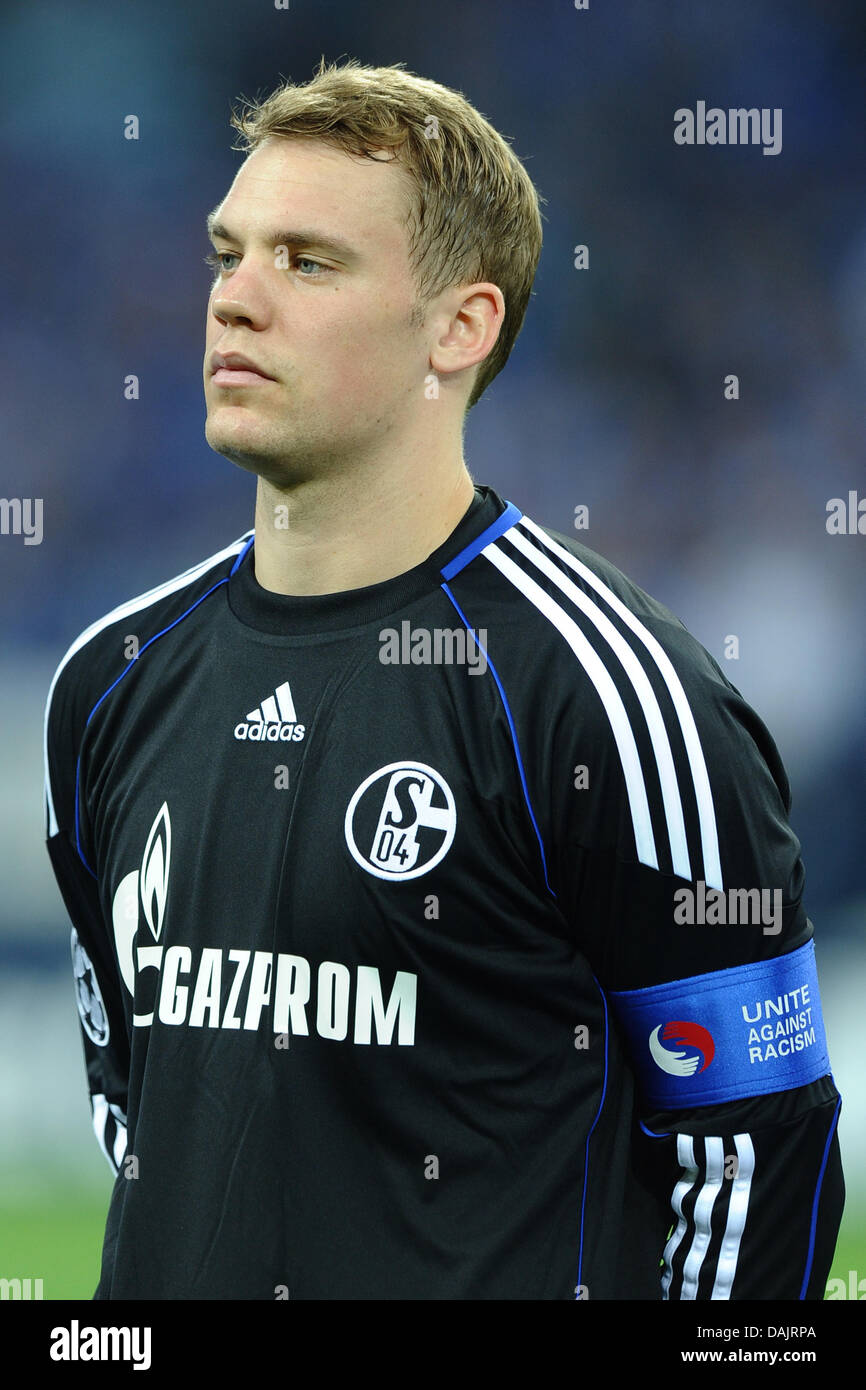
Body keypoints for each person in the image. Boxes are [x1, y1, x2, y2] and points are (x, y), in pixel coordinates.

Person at [43, 58, 843, 1300]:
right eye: (226, 254)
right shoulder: (108, 683)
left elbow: (756, 1161)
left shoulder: (609, 696)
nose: (234, 301)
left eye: (307, 261)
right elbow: (136, 1110)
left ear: (457, 328)